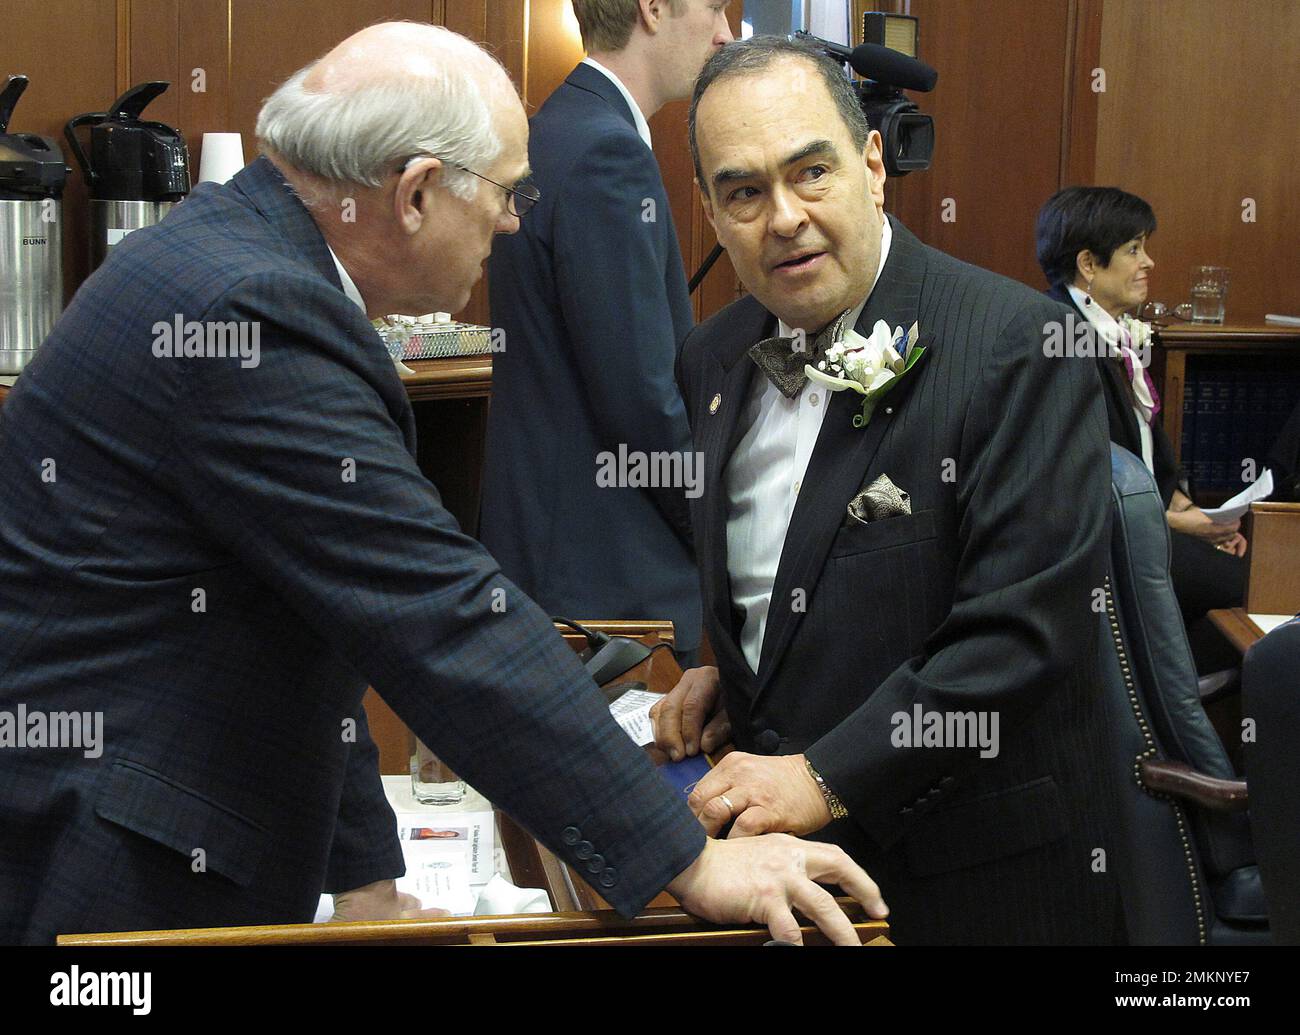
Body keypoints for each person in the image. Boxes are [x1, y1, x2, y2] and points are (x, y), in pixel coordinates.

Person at [0, 23, 885, 946]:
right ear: (418, 191)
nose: (513, 223)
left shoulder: (245, 261)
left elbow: (315, 612)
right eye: (506, 192)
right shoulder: (253, 311)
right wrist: (691, 860)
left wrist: (366, 878)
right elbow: (436, 612)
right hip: (102, 864)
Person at [652, 36, 1120, 945]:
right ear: (708, 210)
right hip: (775, 883)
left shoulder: (1016, 346)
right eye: (744, 191)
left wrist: (821, 773)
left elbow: (1022, 632)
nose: (782, 216)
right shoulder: (710, 357)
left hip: (968, 883)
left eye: (811, 170)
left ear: (872, 163)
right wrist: (739, 671)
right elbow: (800, 579)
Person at [480, 0, 733, 666]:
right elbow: (643, 400)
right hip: (611, 585)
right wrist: (725, 539)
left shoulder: (553, 127)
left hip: (546, 558)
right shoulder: (608, 151)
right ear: (652, 8)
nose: (726, 32)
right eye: (714, 7)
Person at [1035, 186, 1247, 671]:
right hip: (1107, 540)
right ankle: (1152, 699)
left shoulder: (1112, 333)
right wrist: (1184, 526)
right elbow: (1076, 486)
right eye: (1134, 250)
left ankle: (1156, 693)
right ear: (1089, 264)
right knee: (1254, 586)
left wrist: (1198, 513)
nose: (1149, 262)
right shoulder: (1059, 340)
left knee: (1251, 577)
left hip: (1150, 523)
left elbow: (1149, 453)